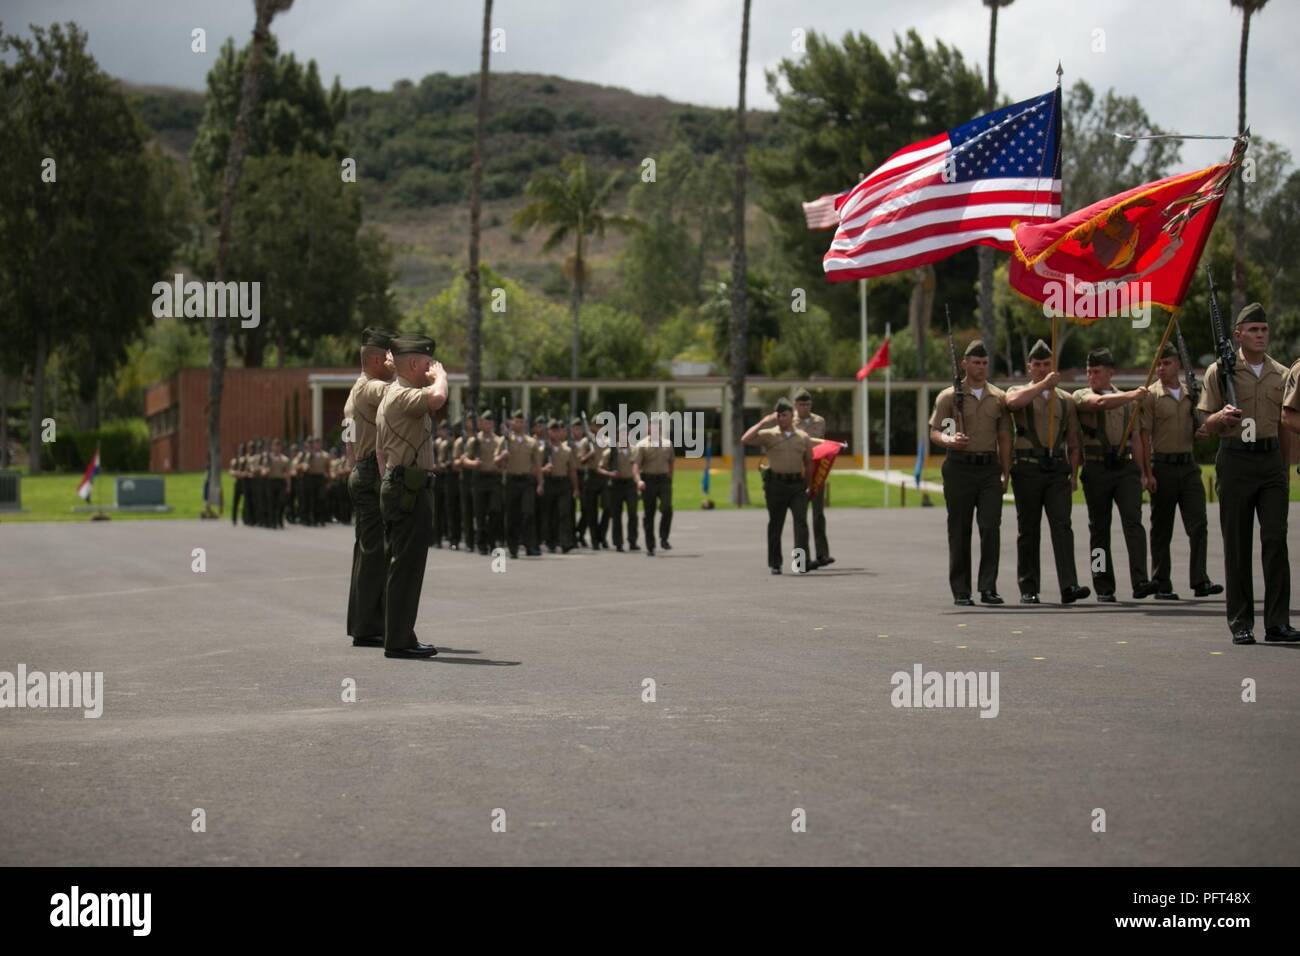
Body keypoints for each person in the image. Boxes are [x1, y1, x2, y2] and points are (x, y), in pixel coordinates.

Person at [1197, 303, 1297, 645]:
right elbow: (1203, 425)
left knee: (1275, 539)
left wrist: (1285, 468)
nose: (1260, 335)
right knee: (1237, 544)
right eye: (1253, 330)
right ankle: (1241, 622)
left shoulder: (1282, 374)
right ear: (1238, 335)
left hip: (1269, 462)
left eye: (1263, 330)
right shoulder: (1219, 372)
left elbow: (1286, 424)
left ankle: (1277, 622)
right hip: (1236, 459)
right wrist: (1218, 418)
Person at [375, 334, 448, 659]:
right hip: (409, 488)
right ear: (416, 364)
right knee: (407, 566)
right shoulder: (404, 395)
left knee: (401, 564)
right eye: (429, 363)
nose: (432, 368)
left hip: (400, 484)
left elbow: (379, 452)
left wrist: (390, 481)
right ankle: (399, 640)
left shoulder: (392, 395)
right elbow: (438, 399)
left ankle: (399, 634)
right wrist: (441, 377)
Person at [1004, 339, 1090, 605]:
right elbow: (1011, 404)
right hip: (1028, 468)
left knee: (1062, 527)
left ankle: (1069, 585)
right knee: (1028, 529)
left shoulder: (1065, 400)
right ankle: (1029, 588)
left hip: (1056, 470)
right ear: (1029, 367)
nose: (1042, 368)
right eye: (1037, 364)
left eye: (1046, 364)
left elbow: (1074, 441)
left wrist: (1074, 475)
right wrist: (1043, 385)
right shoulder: (1019, 390)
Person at [928, 340, 1011, 606]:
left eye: (985, 363)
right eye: (976, 362)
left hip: (988, 468)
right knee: (959, 529)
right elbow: (935, 431)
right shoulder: (949, 397)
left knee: (990, 526)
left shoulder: (998, 397)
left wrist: (1005, 470)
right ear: (964, 364)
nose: (981, 367)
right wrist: (950, 440)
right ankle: (961, 590)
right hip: (959, 468)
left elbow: (1004, 436)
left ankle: (988, 587)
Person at [1137, 343, 1222, 600]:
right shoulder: (1151, 395)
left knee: (1199, 524)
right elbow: (1143, 436)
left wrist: (1203, 432)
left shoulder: (1190, 393)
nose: (1161, 368)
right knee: (1162, 527)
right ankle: (1162, 582)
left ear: (1177, 365)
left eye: (1166, 363)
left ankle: (1200, 579)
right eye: (1158, 363)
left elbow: (1202, 431)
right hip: (1161, 465)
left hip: (1187, 466)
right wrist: (1146, 472)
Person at [1073, 347, 1156, 603]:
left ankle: (1140, 580)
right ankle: (1103, 584)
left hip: (1125, 469)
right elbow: (1097, 403)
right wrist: (1134, 394)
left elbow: (1137, 439)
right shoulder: (1081, 395)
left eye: (1096, 371)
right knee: (1099, 530)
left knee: (1133, 523)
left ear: (1111, 372)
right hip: (1096, 468)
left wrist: (1144, 472)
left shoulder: (1130, 401)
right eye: (1089, 371)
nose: (1091, 376)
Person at [343, 327, 395, 647]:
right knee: (375, 552)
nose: (394, 361)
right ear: (376, 359)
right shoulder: (372, 388)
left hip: (362, 470)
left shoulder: (354, 391)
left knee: (368, 551)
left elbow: (347, 440)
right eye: (389, 357)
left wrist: (357, 465)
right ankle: (367, 627)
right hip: (370, 473)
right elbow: (399, 396)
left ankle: (364, 623)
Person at [742, 397, 814, 575]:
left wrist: (809, 485)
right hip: (776, 485)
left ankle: (799, 562)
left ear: (792, 415)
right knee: (776, 524)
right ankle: (775, 563)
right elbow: (745, 439)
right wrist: (763, 422)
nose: (781, 418)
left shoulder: (803, 437)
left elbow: (809, 462)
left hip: (797, 485)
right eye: (779, 415)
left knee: (801, 524)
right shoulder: (769, 434)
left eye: (784, 415)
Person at [793, 389, 832, 567]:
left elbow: (820, 443)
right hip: (797, 472)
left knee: (818, 515)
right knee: (800, 519)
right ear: (795, 405)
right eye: (801, 404)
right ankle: (802, 560)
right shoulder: (790, 422)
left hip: (816, 471)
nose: (804, 407)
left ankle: (822, 554)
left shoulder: (819, 421)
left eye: (807, 404)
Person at [462, 410, 506, 556]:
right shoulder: (474, 440)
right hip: (479, 478)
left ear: (493, 424)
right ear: (481, 423)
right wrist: (473, 463)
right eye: (485, 422)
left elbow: (504, 460)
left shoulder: (499, 440)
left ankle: (492, 540)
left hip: (494, 479)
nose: (487, 424)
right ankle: (481, 543)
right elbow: (464, 459)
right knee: (479, 513)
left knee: (495, 510)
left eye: (490, 422)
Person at [632, 414, 674, 556]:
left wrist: (669, 477)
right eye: (653, 426)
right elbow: (636, 465)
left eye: (658, 427)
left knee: (667, 507)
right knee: (649, 514)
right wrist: (638, 481)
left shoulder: (668, 444)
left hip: (663, 480)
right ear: (648, 429)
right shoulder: (641, 445)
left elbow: (671, 462)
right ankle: (651, 545)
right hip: (648, 480)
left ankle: (664, 538)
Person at [504, 409, 543, 558]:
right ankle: (513, 547)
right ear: (511, 422)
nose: (519, 423)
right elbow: (496, 461)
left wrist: (540, 483)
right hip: (512, 480)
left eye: (521, 421)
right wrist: (502, 456)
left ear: (525, 423)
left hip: (527, 481)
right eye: (516, 420)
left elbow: (538, 465)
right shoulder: (506, 440)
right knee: (512, 515)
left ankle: (529, 545)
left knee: (528, 514)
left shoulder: (532, 442)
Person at [541, 418, 579, 553]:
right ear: (548, 432)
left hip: (563, 483)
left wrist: (575, 488)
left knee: (564, 513)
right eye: (553, 430)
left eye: (558, 431)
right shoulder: (542, 449)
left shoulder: (567, 450)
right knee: (550, 513)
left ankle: (565, 542)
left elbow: (572, 470)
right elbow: (534, 469)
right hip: (549, 483)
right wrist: (543, 471)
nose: (555, 433)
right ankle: (550, 540)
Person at [600, 427, 639, 552]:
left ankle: (632, 540)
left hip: (630, 484)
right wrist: (609, 474)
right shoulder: (611, 451)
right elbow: (600, 468)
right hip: (616, 485)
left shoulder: (634, 450)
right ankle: (618, 542)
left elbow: (638, 466)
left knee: (633, 513)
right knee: (616, 515)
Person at [575, 417, 606, 549]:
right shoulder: (586, 441)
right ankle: (594, 540)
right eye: (597, 425)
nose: (599, 427)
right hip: (591, 476)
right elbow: (580, 460)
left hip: (604, 476)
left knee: (608, 508)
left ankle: (601, 535)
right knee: (590, 510)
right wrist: (589, 454)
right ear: (592, 426)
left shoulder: (608, 441)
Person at [452, 416, 475, 553]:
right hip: (465, 478)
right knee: (466, 511)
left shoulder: (479, 440)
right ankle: (469, 541)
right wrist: (462, 460)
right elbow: (455, 464)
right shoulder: (461, 442)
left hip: (479, 477)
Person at [264, 438, 292, 529]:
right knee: (271, 503)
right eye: (275, 446)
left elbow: (287, 473)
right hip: (271, 481)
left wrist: (288, 485)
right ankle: (273, 522)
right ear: (272, 447)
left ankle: (280, 519)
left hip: (281, 482)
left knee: (281, 502)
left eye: (278, 446)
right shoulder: (268, 458)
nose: (277, 448)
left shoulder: (285, 459)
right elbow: (264, 471)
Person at [229, 442, 248, 526]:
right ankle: (234, 518)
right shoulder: (235, 460)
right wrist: (235, 472)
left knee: (245, 502)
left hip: (244, 482)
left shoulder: (247, 459)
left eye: (242, 449)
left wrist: (242, 473)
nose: (241, 451)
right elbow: (231, 471)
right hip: (237, 482)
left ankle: (245, 517)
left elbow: (247, 471)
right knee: (235, 501)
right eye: (240, 449)